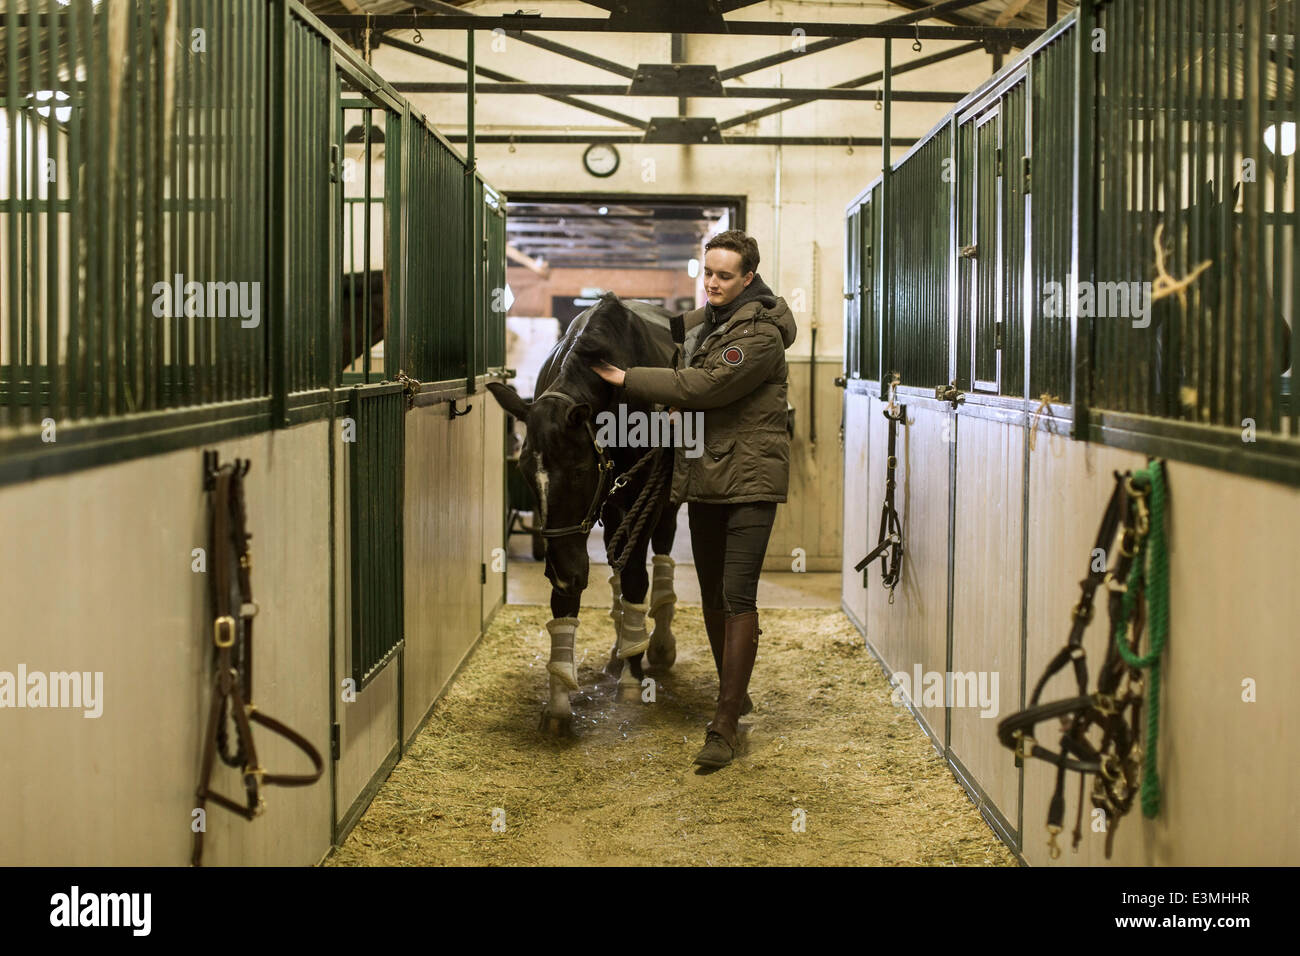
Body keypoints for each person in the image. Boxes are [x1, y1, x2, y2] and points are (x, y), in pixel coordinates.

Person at [590, 230, 797, 769]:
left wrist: (625, 377)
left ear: (749, 277)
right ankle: (735, 689)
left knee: (736, 597)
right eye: (707, 273)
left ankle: (725, 723)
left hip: (749, 482)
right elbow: (681, 355)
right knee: (709, 594)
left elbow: (703, 387)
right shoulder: (715, 321)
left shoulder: (758, 335)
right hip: (709, 476)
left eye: (725, 276)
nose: (712, 283)